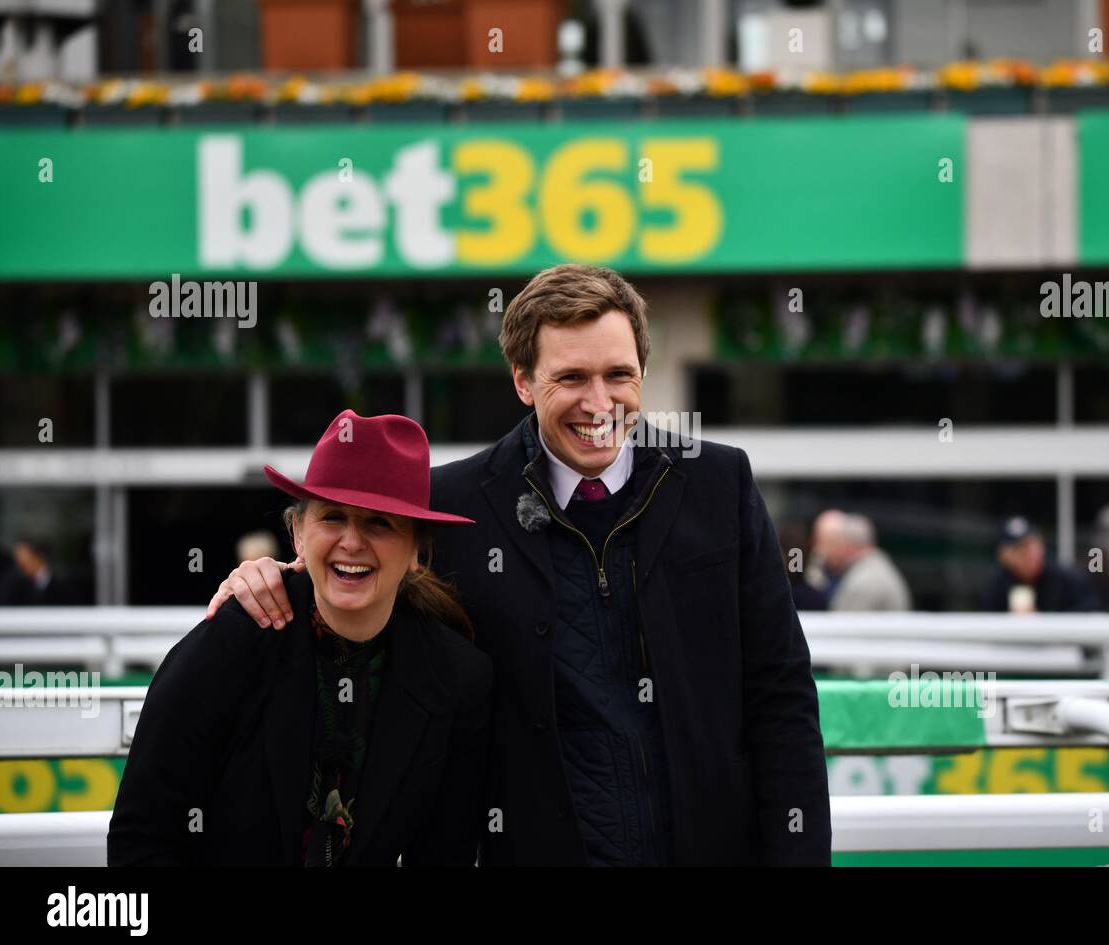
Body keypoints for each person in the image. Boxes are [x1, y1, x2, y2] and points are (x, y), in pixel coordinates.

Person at [207, 264, 831, 866]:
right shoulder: (451, 506)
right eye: (571, 378)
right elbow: (355, 579)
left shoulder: (719, 482)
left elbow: (780, 693)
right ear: (523, 382)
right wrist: (268, 579)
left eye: (619, 374)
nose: (600, 403)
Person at [109, 410, 492, 866]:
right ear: (297, 534)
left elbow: (445, 855)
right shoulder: (234, 640)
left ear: (417, 553)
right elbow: (143, 834)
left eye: (379, 523)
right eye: (332, 518)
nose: (352, 541)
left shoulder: (458, 679)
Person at [981, 516, 1096, 613]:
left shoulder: (1068, 579)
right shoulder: (997, 585)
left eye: (1033, 544)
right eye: (1020, 549)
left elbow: (1090, 615)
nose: (1031, 553)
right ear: (1004, 556)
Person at [810, 511, 911, 612]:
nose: (829, 551)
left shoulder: (865, 580)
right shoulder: (875, 569)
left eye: (834, 543)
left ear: (847, 544)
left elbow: (844, 626)